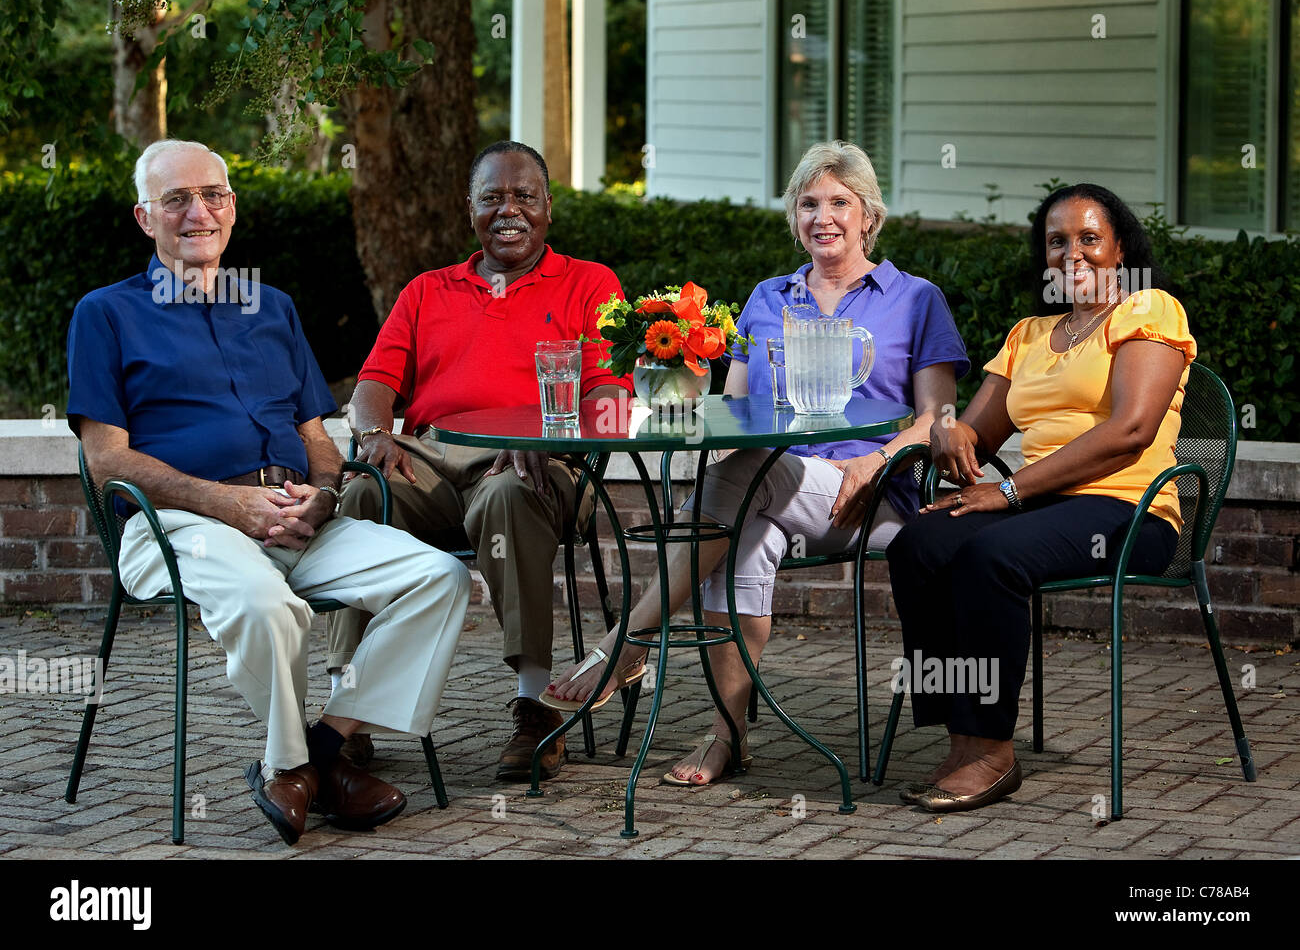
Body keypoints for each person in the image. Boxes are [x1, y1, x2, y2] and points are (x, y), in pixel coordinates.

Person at [66, 139, 472, 846]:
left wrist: (323, 494)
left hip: (293, 518)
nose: (199, 212)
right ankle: (299, 765)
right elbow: (107, 462)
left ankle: (315, 754)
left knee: (437, 577)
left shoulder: (272, 307)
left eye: (214, 195)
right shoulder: (105, 315)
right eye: (176, 199)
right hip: (179, 526)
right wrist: (227, 504)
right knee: (266, 606)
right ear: (144, 218)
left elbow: (316, 435)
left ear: (233, 205)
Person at [545, 140, 969, 786]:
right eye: (807, 203)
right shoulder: (769, 298)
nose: (822, 216)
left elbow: (935, 420)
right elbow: (737, 413)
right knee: (739, 530)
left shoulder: (914, 298)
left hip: (874, 497)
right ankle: (727, 735)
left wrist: (873, 461)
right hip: (774, 486)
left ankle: (626, 644)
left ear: (868, 215)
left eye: (838, 202)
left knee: (738, 489)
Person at [885, 183, 1194, 813]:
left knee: (991, 556)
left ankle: (993, 751)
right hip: (1038, 505)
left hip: (1127, 509)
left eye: (1089, 238)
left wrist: (1006, 490)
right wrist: (947, 428)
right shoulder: (1029, 334)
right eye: (1057, 242)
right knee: (919, 542)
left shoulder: (1148, 311)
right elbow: (980, 429)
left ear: (1120, 248)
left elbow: (1131, 431)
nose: (1072, 254)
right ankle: (962, 733)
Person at [330, 140, 632, 782]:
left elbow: (609, 392)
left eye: (524, 196)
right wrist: (373, 436)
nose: (509, 210)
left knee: (506, 497)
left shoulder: (591, 283)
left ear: (548, 207)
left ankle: (533, 706)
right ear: (470, 209)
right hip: (433, 461)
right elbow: (372, 385)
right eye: (493, 197)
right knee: (362, 493)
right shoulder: (426, 291)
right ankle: (345, 705)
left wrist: (553, 437)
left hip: (540, 466)